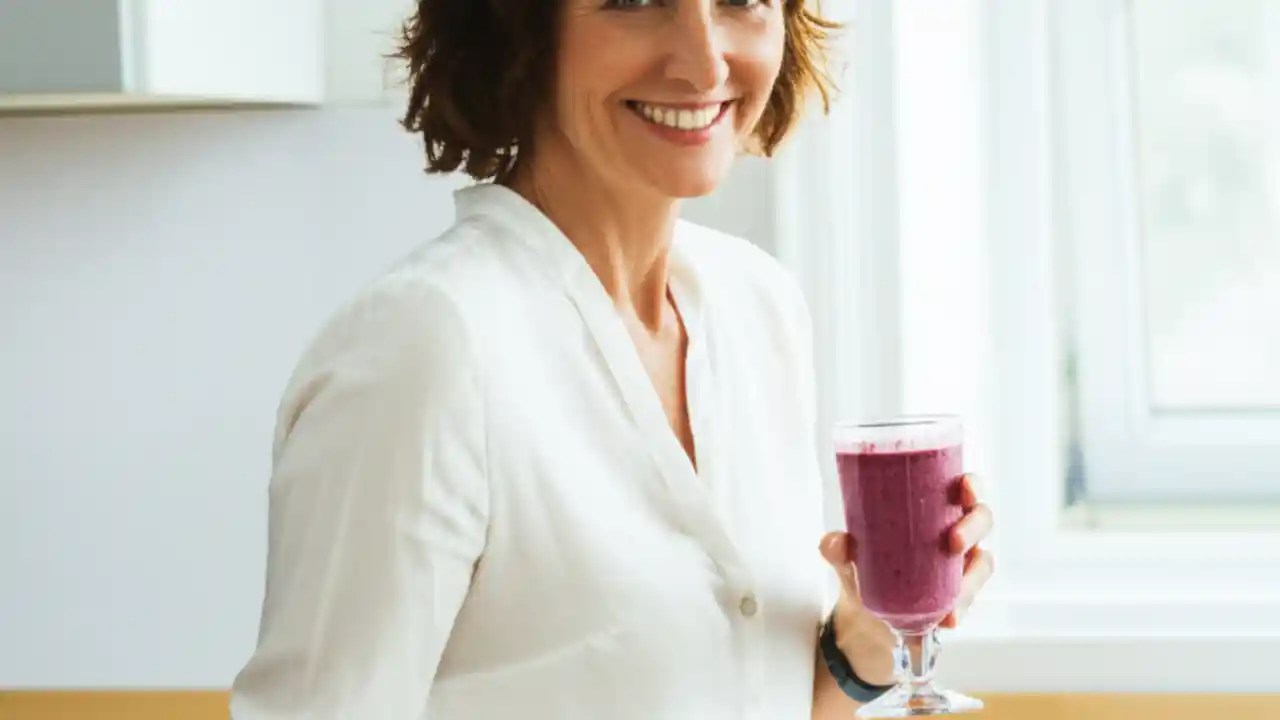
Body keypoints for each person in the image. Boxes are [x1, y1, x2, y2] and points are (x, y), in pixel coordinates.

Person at [229, 0, 995, 717]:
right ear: (519, 29)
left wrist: (859, 644)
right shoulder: (427, 345)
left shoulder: (758, 307)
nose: (705, 63)